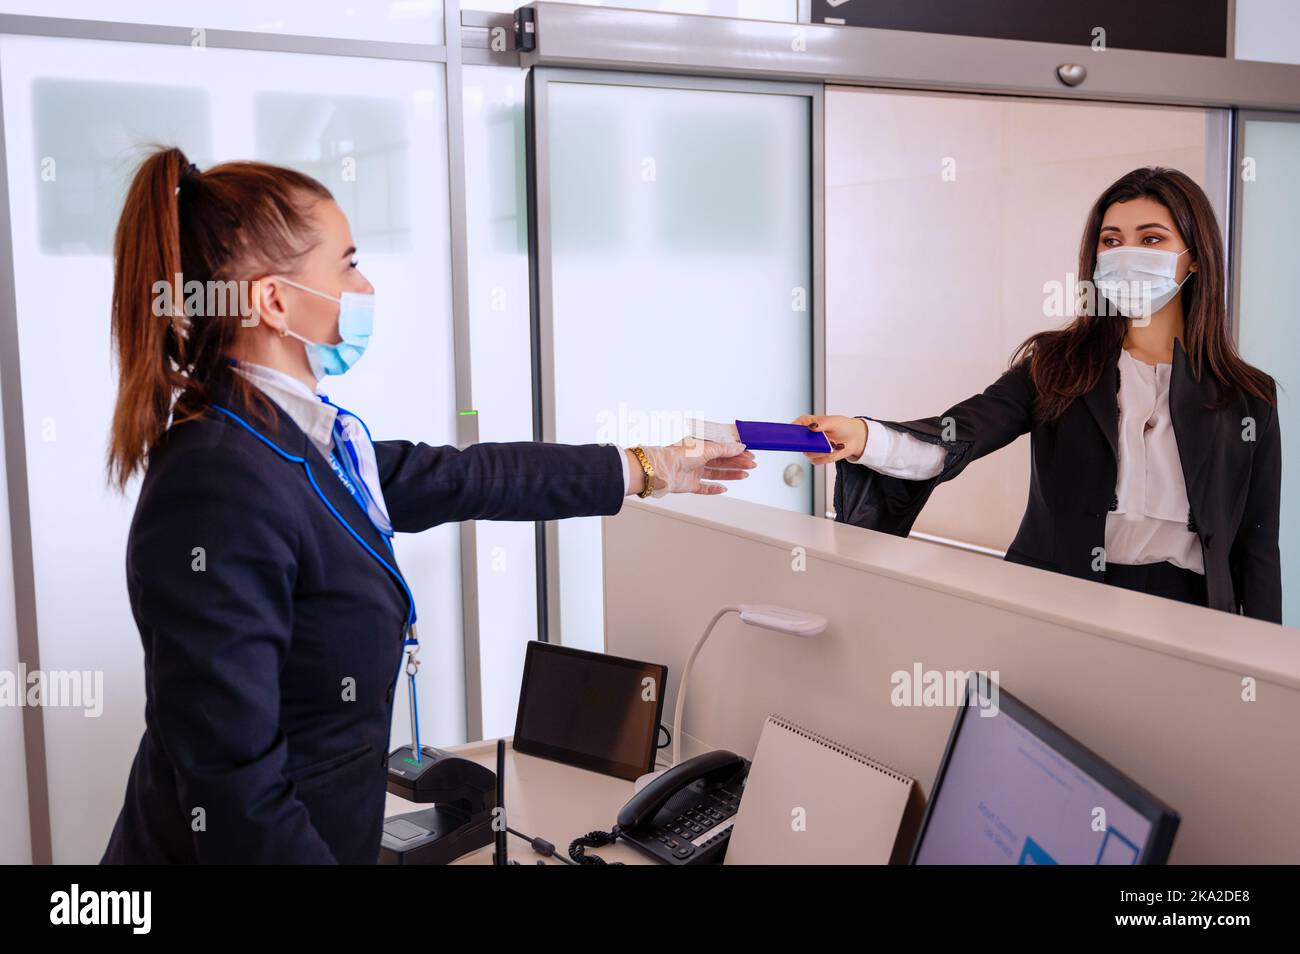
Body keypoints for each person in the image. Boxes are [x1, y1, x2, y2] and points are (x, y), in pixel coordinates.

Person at [100, 147, 755, 863]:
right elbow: (233, 790)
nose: (366, 284)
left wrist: (649, 468)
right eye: (347, 263)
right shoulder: (218, 480)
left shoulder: (303, 442)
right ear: (273, 299)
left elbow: (468, 477)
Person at [796, 167, 1280, 622]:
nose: (1125, 254)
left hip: (1189, 614)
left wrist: (1268, 669)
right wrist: (863, 437)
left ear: (1195, 256)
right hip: (1056, 597)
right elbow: (960, 435)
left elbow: (1257, 547)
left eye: (1151, 239)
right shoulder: (1057, 365)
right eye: (1111, 241)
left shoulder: (1247, 397)